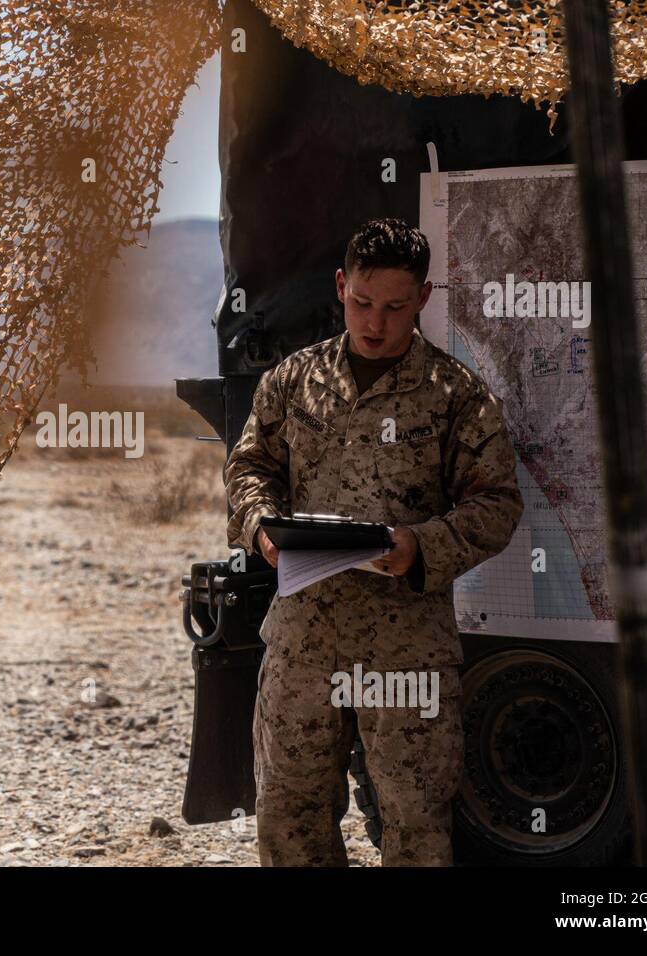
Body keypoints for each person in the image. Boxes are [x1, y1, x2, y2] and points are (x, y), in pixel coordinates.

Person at [224, 218, 523, 866]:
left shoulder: (456, 397)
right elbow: (250, 467)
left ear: (423, 297)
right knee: (290, 816)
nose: (375, 322)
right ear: (339, 287)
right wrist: (261, 527)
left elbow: (497, 504)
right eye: (362, 302)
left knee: (414, 823)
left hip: (406, 648)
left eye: (393, 306)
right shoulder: (293, 381)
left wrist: (421, 545)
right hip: (305, 636)